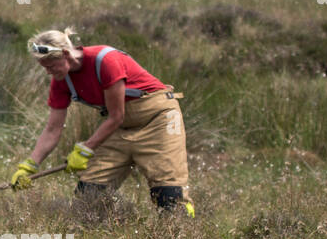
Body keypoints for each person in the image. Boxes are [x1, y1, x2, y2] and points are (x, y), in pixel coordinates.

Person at [11, 27, 194, 216]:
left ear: (65, 54)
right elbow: (52, 129)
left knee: (169, 196)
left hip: (158, 120)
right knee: (88, 196)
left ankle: (184, 231)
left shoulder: (105, 60)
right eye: (44, 67)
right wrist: (30, 166)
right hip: (121, 128)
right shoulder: (61, 80)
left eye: (50, 66)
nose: (48, 72)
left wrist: (86, 148)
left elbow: (116, 115)